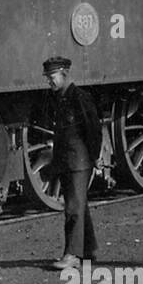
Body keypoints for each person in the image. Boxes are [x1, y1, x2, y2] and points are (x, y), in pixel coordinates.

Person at [42, 56, 102, 269]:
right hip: (68, 161)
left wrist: (95, 158)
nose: (49, 81)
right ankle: (89, 250)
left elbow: (93, 129)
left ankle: (72, 255)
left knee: (73, 208)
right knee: (80, 205)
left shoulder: (80, 98)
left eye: (52, 76)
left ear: (64, 74)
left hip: (79, 161)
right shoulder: (60, 98)